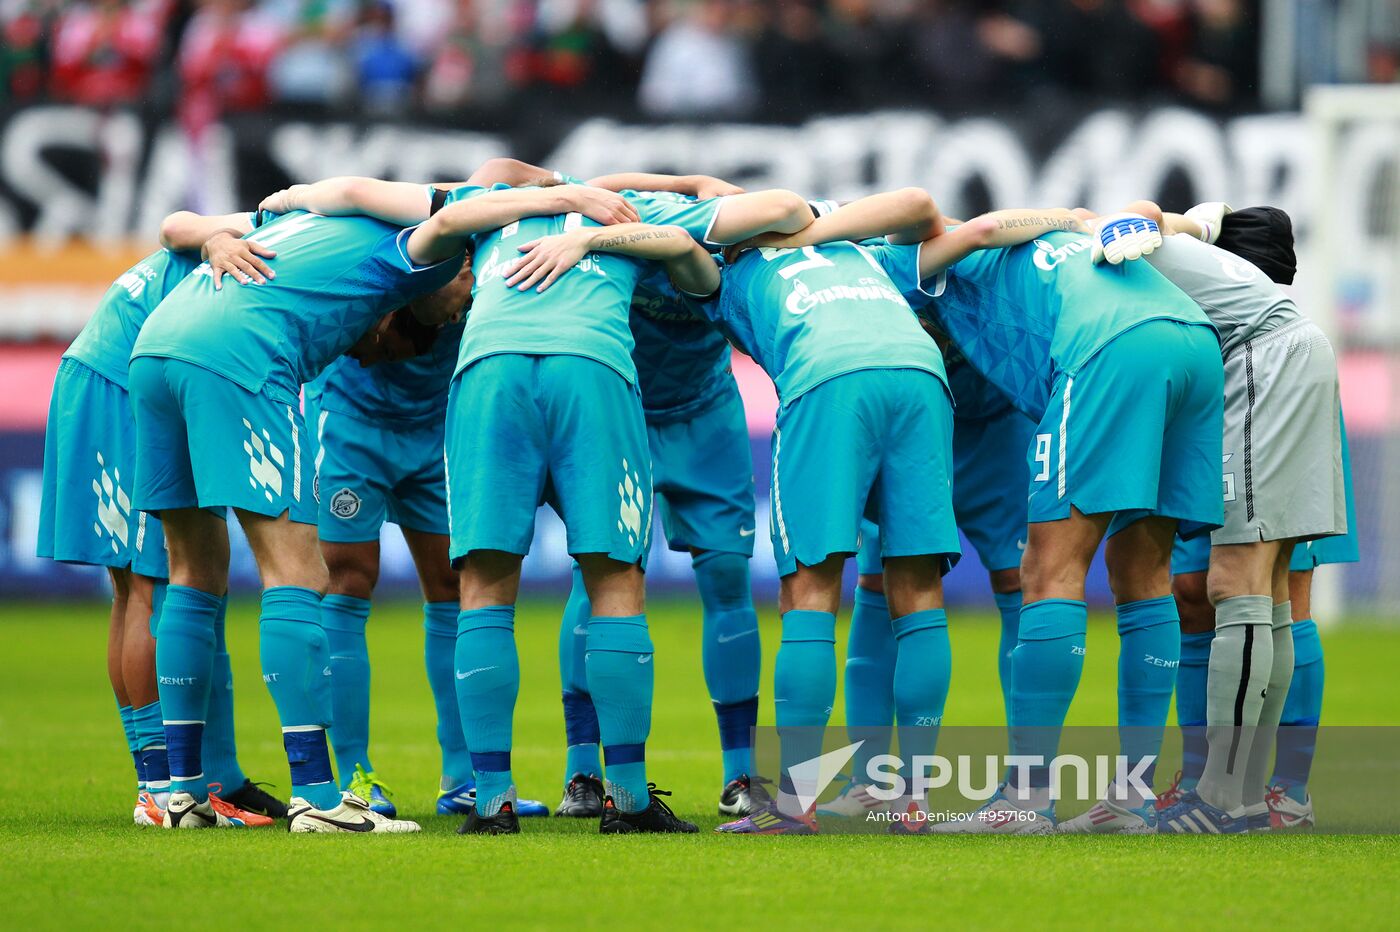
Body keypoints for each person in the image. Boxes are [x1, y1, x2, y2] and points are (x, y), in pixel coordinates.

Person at [510, 190, 1085, 834]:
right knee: (917, 590)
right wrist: (1073, 218)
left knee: (810, 591)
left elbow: (674, 242)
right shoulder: (864, 254)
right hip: (923, 379)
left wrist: (585, 237)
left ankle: (797, 802)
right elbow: (928, 206)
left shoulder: (724, 274)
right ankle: (911, 798)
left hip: (828, 379)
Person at [129, 179, 629, 831]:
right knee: (302, 574)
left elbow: (176, 224)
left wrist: (223, 233)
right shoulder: (419, 245)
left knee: (192, 573)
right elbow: (455, 206)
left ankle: (181, 794)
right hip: (251, 359)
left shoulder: (302, 221)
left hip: (160, 346)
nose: (468, 285)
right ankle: (321, 793)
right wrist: (572, 202)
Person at [872, 208, 1224, 834]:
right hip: (1194, 340)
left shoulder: (921, 264)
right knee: (1145, 572)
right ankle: (1131, 800)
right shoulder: (1041, 236)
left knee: (1047, 570)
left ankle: (1026, 799)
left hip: (1106, 347)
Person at [38, 211, 286, 826]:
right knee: (156, 586)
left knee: (135, 590)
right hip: (120, 383)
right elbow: (174, 223)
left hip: (97, 372)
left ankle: (172, 779)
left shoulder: (256, 235)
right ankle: (165, 788)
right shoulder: (265, 237)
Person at [1106, 203, 1346, 834]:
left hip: (1264, 370)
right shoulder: (1176, 253)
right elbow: (1151, 217)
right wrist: (1192, 222)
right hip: (1287, 365)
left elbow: (1140, 215)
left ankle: (1226, 796)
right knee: (1266, 597)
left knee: (1237, 584)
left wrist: (1162, 220)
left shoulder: (1112, 253)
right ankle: (1238, 791)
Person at [303, 324, 548, 819]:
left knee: (453, 585)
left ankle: (463, 776)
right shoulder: (388, 245)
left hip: (438, 424)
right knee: (348, 581)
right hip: (350, 417)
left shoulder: (479, 250)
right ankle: (354, 776)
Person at [820, 350, 1036, 819]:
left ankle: (1027, 786)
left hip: (994, 424)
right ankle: (871, 782)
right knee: (878, 581)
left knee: (1021, 581)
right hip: (907, 419)